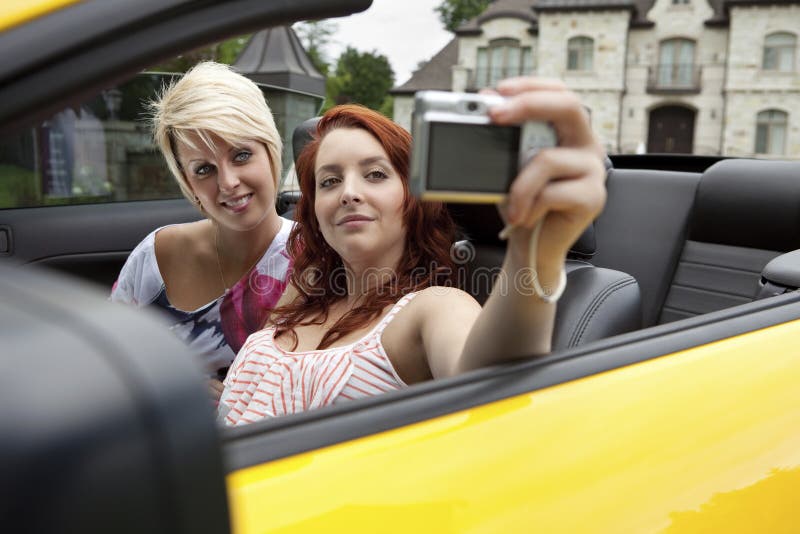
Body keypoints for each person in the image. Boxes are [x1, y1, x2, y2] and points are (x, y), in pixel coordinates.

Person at [218, 77, 606, 426]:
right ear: (315, 209)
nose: (349, 192)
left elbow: (492, 384)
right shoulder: (306, 287)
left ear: (413, 199)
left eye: (375, 174)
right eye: (330, 180)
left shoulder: (433, 307)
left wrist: (535, 248)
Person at [111, 62, 293, 397]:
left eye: (241, 155)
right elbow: (106, 366)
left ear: (271, 150)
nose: (228, 182)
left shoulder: (318, 257)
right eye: (204, 169)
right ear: (188, 183)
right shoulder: (155, 256)